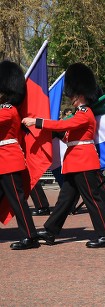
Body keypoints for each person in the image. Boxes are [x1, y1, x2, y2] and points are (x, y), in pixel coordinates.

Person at [22, 63, 105, 248]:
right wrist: (56, 134)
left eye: (73, 95)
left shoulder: (85, 113)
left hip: (84, 162)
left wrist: (37, 122)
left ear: (81, 95)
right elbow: (67, 136)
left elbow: (64, 126)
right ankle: (50, 231)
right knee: (65, 200)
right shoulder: (79, 114)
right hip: (74, 162)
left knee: (92, 199)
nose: (71, 99)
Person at [0, 60, 40, 250]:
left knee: (18, 201)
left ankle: (30, 237)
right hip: (3, 161)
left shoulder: (8, 111)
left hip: (8, 161)